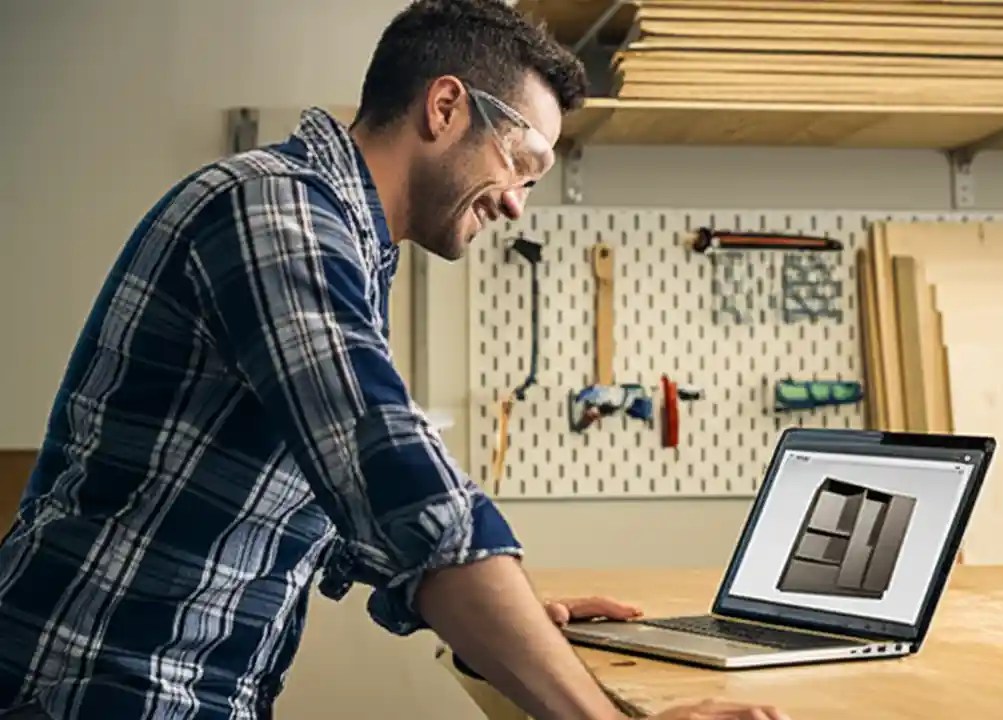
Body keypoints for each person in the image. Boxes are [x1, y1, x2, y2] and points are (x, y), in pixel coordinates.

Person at [0, 2, 789, 719]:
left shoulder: (345, 243)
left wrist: (509, 621)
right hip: (95, 686)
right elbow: (391, 475)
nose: (517, 201)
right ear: (445, 108)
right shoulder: (274, 210)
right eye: (522, 163)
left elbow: (332, 511)